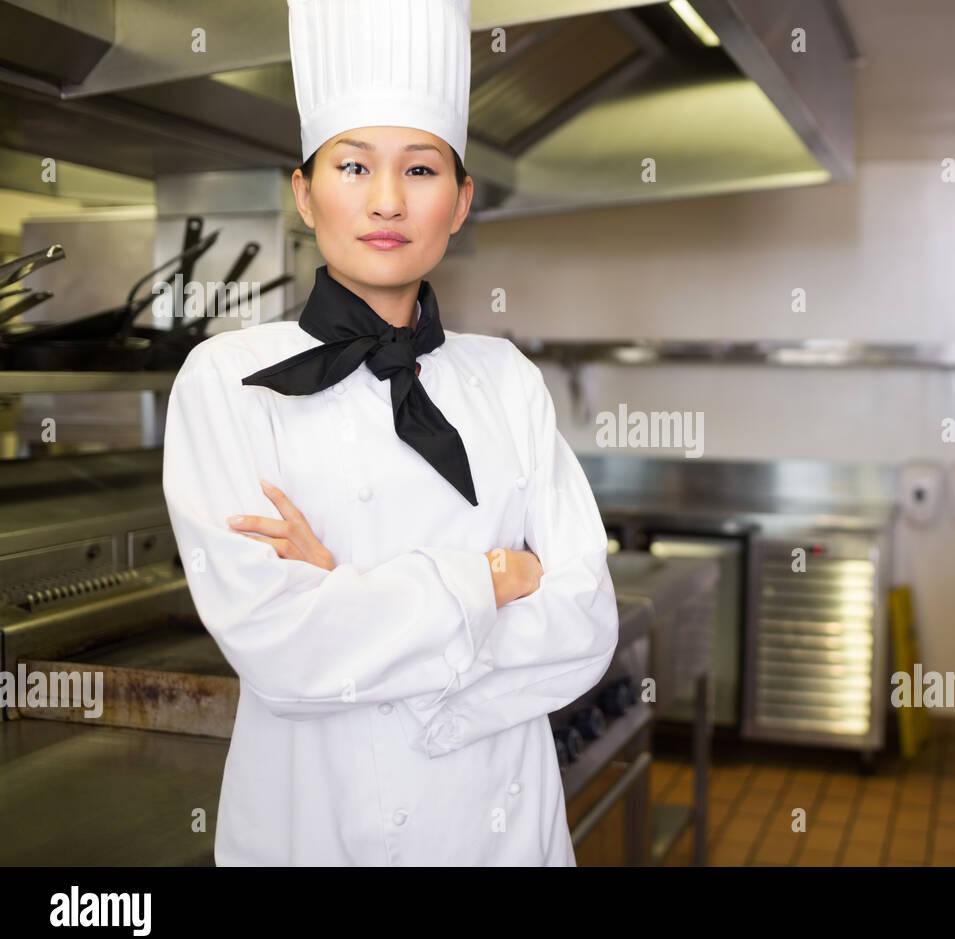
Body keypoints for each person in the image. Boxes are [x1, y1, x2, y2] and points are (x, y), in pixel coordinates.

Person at [160, 0, 619, 865]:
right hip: (311, 828)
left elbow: (585, 624)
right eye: (352, 165)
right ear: (304, 193)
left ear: (460, 201)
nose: (384, 200)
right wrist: (490, 576)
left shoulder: (506, 380)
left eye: (419, 170)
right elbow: (282, 652)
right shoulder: (226, 381)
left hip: (502, 832)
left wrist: (349, 596)